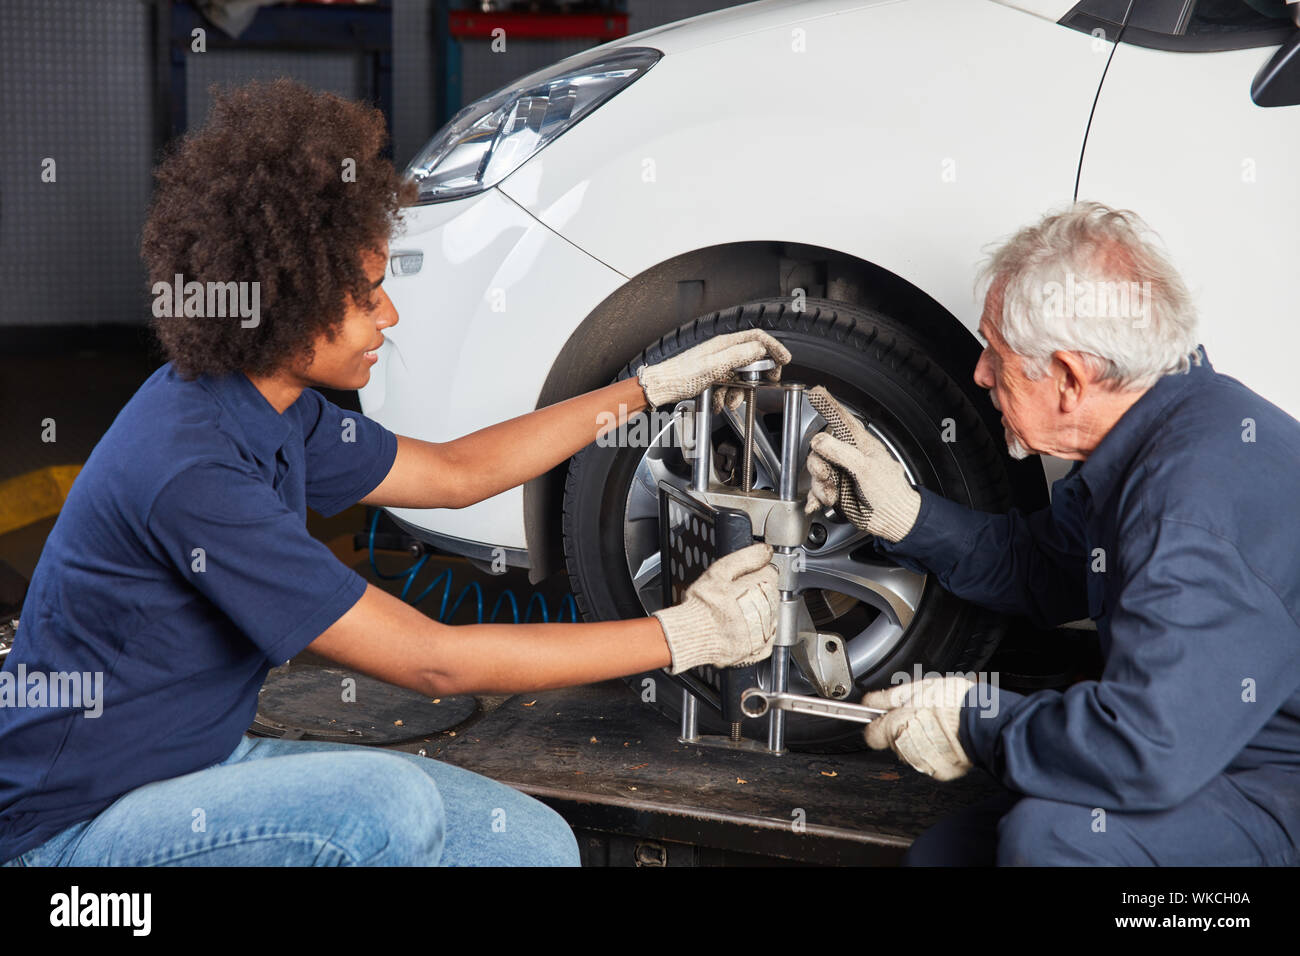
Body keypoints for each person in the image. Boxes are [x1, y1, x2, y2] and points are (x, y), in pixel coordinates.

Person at [0, 79, 789, 867]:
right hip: (75, 835)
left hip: (199, 772)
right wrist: (684, 634)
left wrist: (648, 390)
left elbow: (456, 472)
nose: (390, 318)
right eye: (369, 296)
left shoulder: (271, 407)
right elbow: (433, 662)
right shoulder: (190, 472)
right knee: (387, 810)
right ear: (290, 303)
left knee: (531, 848)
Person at [805, 201, 1300, 866]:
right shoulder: (1162, 430)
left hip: (1268, 780)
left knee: (1051, 840)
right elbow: (1045, 568)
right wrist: (907, 516)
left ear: (1069, 377)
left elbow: (1146, 748)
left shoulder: (1185, 512)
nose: (980, 373)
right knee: (943, 858)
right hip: (1209, 744)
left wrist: (975, 721)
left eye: (996, 354)